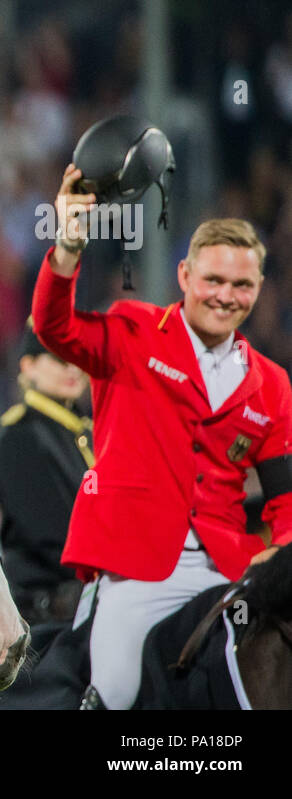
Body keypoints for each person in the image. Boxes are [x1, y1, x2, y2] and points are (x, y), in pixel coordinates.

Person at [33, 163, 292, 709]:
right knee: (115, 694)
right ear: (184, 277)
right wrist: (67, 247)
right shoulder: (132, 330)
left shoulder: (272, 383)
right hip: (136, 570)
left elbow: (284, 498)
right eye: (213, 281)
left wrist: (283, 552)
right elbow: (54, 328)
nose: (226, 296)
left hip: (226, 572)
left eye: (241, 284)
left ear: (259, 289)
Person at [0, 317, 91, 624]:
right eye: (60, 358)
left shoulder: (84, 432)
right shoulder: (21, 437)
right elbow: (52, 539)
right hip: (47, 614)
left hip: (86, 596)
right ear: (28, 366)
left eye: (78, 358)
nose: (72, 368)